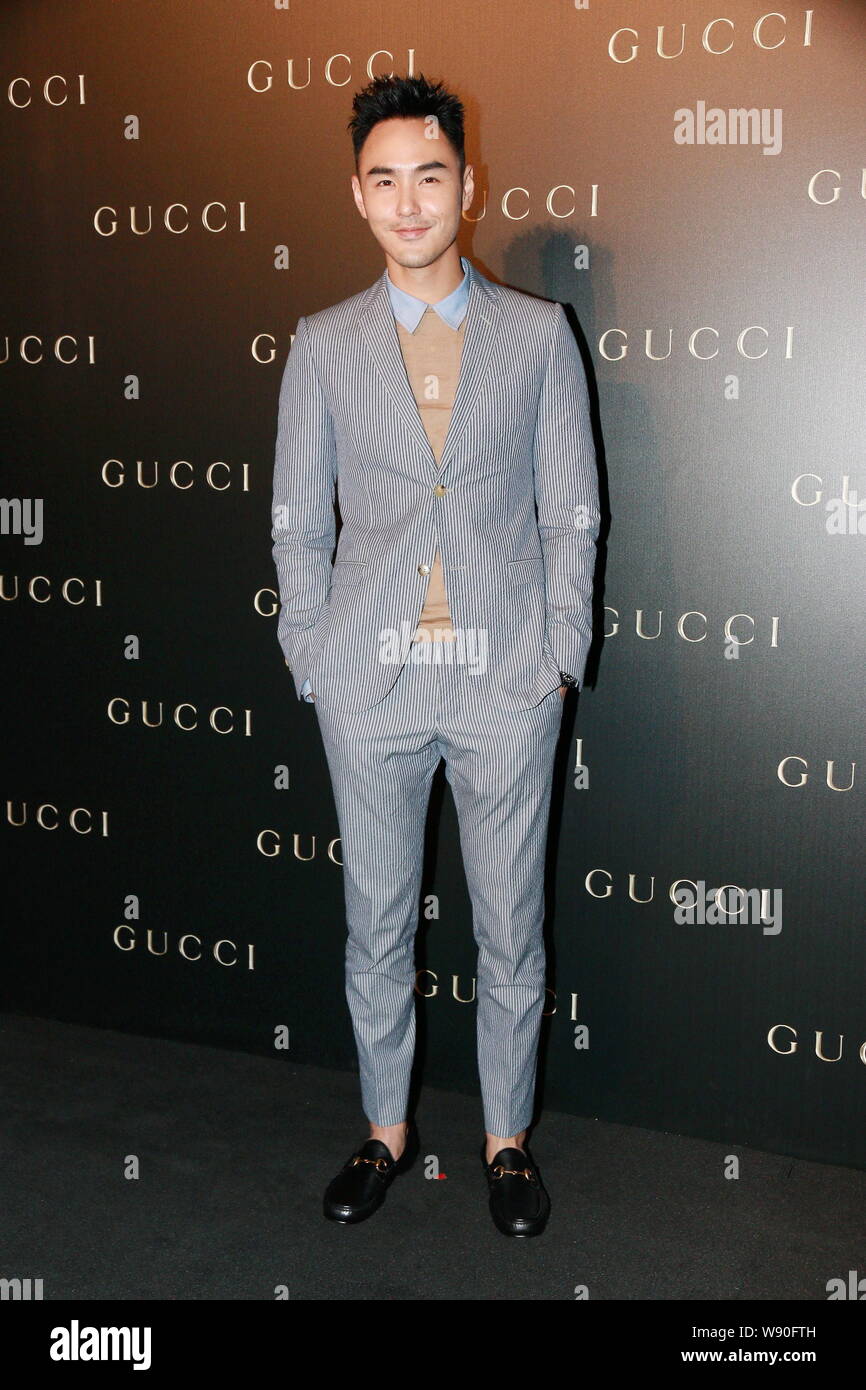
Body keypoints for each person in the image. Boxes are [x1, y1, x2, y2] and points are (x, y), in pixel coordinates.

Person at [271, 73, 599, 1237]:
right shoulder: (319, 345)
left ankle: (504, 1142)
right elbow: (298, 522)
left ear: (466, 187)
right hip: (370, 685)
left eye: (430, 175)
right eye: (383, 179)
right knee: (374, 924)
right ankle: (385, 1129)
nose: (408, 201)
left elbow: (570, 512)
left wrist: (558, 653)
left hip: (506, 681)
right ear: (356, 196)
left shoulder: (536, 334)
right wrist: (313, 659)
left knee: (510, 924)